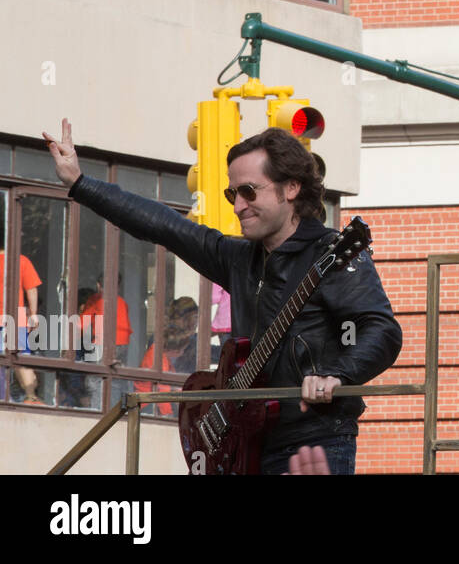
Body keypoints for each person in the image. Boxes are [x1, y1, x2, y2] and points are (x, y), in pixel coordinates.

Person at [43, 120, 402, 475]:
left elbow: (381, 329)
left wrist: (336, 374)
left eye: (249, 191)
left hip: (313, 441)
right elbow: (164, 225)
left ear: (291, 188)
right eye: (233, 194)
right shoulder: (239, 259)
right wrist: (80, 183)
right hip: (245, 442)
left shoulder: (332, 254)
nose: (238, 205)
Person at [1, 250, 41, 403]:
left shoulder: (20, 261)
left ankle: (4, 397)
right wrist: (33, 313)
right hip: (16, 320)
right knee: (22, 358)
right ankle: (31, 396)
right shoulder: (21, 261)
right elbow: (31, 288)